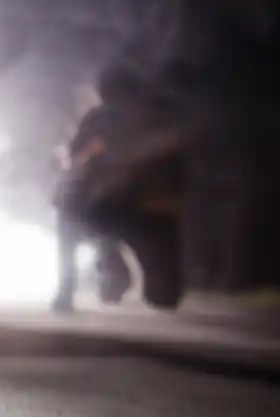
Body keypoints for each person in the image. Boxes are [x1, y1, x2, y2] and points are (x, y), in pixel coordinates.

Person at [52, 65, 186, 312]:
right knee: (98, 227)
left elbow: (75, 153)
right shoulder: (148, 119)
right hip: (122, 204)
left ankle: (71, 289)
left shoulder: (100, 118)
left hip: (111, 204)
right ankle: (142, 284)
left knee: (72, 221)